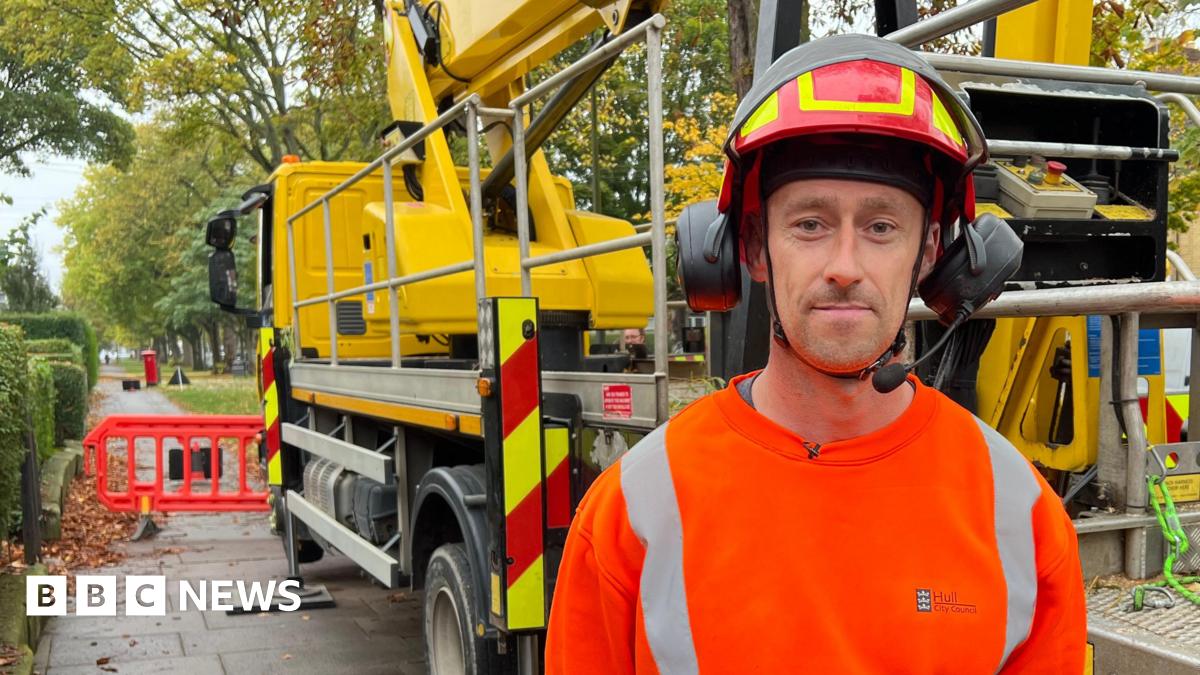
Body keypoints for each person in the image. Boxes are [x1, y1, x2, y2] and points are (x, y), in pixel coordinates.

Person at [546, 34, 1085, 673]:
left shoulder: (1019, 516)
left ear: (933, 252)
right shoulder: (633, 510)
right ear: (749, 247)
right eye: (810, 224)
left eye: (881, 227)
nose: (845, 267)